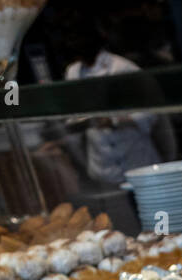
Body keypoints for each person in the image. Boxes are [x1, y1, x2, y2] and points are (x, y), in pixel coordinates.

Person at [63, 27, 162, 185]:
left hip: (136, 158)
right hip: (102, 166)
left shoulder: (122, 67)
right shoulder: (72, 72)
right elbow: (72, 116)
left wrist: (115, 121)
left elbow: (152, 111)